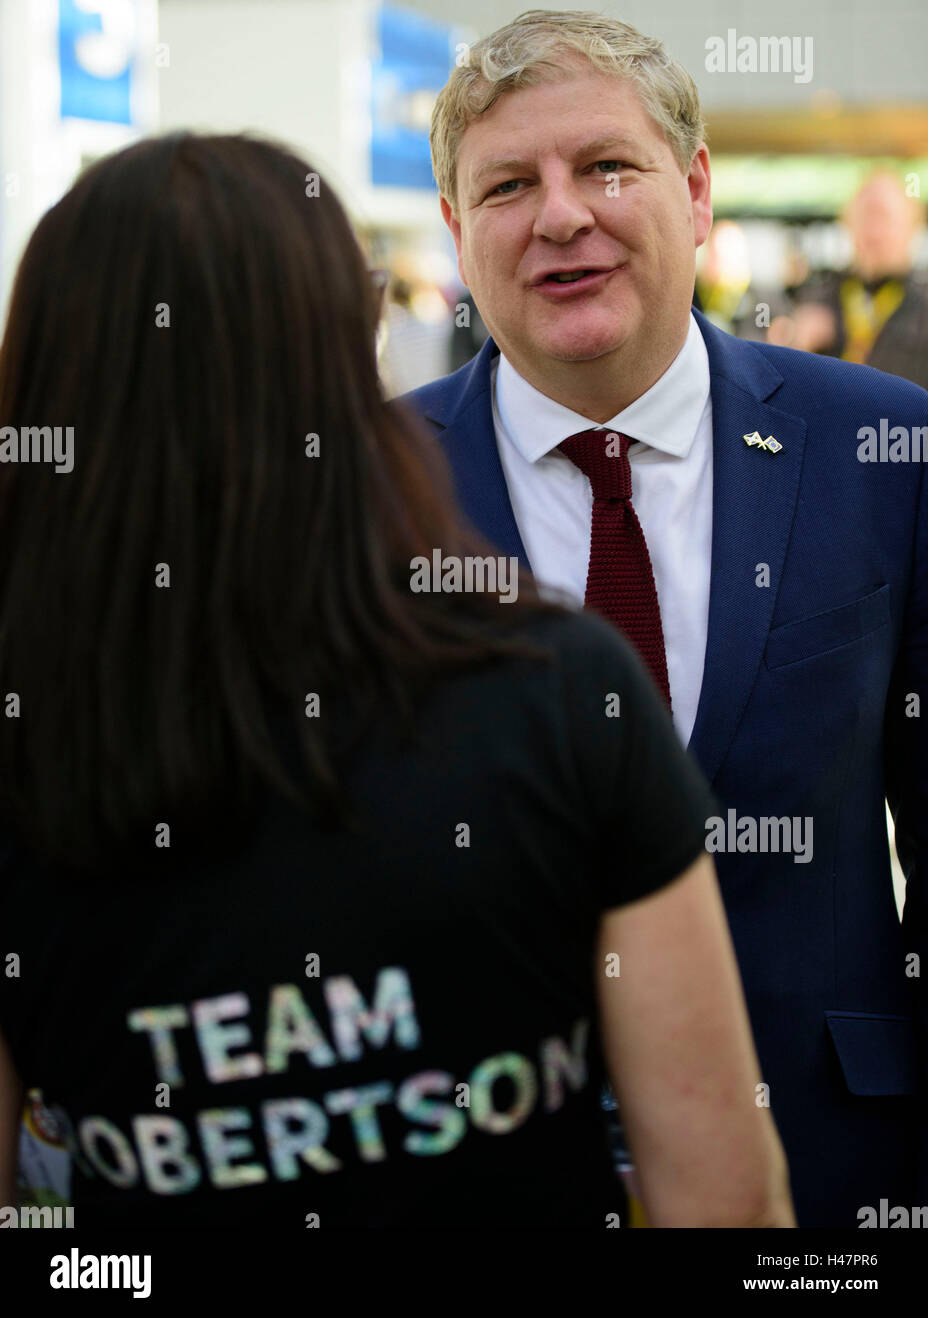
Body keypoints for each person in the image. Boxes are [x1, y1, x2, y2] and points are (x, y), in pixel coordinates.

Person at [0, 133, 793, 1228]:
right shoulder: (551, 691)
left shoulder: (30, 741)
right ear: (347, 353)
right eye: (508, 186)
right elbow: (728, 1203)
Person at [402, 8, 928, 1228]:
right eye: (507, 185)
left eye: (604, 166)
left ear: (694, 191)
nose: (560, 215)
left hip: (832, 1165)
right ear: (455, 231)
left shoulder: (880, 451)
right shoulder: (361, 490)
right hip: (470, 1179)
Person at [780, 170, 928, 387]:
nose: (875, 231)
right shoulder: (816, 294)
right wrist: (795, 342)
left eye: (885, 217)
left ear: (911, 226)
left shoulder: (923, 305)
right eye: (866, 216)